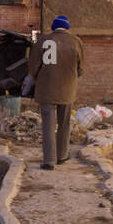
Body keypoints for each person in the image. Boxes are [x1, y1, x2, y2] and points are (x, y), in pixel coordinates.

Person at [22, 15, 85, 169]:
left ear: (53, 27)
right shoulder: (76, 42)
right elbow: (81, 69)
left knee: (48, 125)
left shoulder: (43, 40)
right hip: (67, 89)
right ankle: (62, 156)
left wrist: (36, 78)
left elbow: (33, 66)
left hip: (46, 89)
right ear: (67, 28)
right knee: (64, 124)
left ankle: (49, 161)